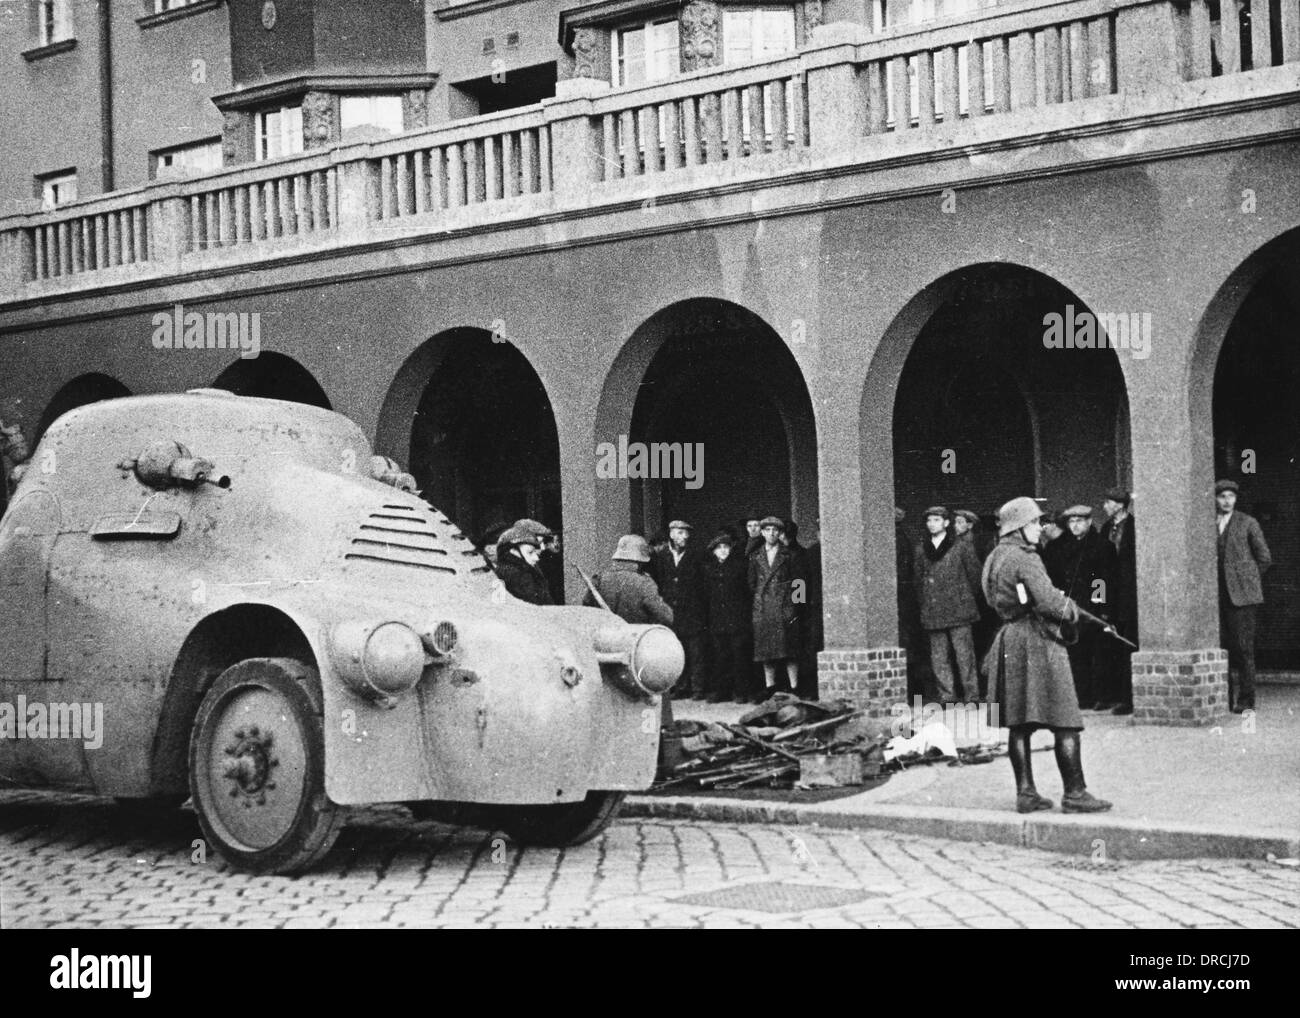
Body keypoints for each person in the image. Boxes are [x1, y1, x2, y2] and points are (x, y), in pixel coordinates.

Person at [983, 496, 1112, 814]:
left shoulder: (995, 557)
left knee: (1019, 724)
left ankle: (1026, 794)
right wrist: (1075, 613)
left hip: (1010, 637)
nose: (1041, 529)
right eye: (1036, 523)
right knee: (1065, 719)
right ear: (1021, 526)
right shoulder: (1026, 558)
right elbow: (1048, 601)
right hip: (1038, 640)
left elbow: (993, 597)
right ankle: (1075, 793)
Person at [1048, 505, 1117, 710]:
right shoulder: (1064, 547)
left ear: (1088, 522)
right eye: (1071, 522)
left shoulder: (1102, 546)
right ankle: (1082, 696)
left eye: (1079, 521)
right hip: (1073, 607)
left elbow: (1102, 579)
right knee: (1077, 653)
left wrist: (1099, 606)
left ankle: (1101, 696)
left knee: (1099, 654)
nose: (1075, 526)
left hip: (1093, 608)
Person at [914, 506, 983, 704]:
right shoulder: (922, 549)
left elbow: (975, 576)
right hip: (933, 610)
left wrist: (964, 597)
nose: (931, 524)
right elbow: (918, 580)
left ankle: (972, 695)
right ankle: (947, 696)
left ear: (945, 523)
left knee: (964, 655)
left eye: (936, 520)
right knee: (939, 657)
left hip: (959, 609)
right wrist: (926, 602)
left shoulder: (961, 546)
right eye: (929, 521)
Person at [1216, 479, 1272, 713]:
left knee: (1243, 648)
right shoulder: (1209, 522)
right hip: (1217, 595)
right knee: (1222, 647)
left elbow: (1264, 558)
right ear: (1215, 499)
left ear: (1236, 499)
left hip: (1243, 598)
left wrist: (1246, 580)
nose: (1227, 501)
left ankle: (1246, 700)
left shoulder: (1248, 522)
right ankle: (1225, 699)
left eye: (1231, 496)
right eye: (1222, 496)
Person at [652, 520, 710, 700]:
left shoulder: (697, 556)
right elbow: (658, 582)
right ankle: (679, 687)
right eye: (679, 533)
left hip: (693, 612)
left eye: (686, 533)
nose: (684, 536)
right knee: (676, 651)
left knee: (696, 653)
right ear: (671, 534)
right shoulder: (661, 557)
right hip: (671, 612)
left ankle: (698, 689)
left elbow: (703, 584)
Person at [749, 516, 805, 696]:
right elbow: (751, 583)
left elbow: (799, 582)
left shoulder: (790, 554)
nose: (771, 533)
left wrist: (796, 607)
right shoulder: (755, 556)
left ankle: (795, 687)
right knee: (766, 652)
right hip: (764, 609)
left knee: (790, 651)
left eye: (775, 530)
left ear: (780, 533)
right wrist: (758, 601)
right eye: (767, 530)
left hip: (785, 608)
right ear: (762, 532)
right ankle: (770, 687)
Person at [1097, 487, 1138, 714]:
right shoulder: (1106, 529)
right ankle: (1111, 695)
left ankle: (1128, 698)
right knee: (1110, 644)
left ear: (1120, 505)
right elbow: (1101, 567)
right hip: (1110, 596)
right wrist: (1100, 599)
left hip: (1128, 596)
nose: (1104, 506)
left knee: (1127, 644)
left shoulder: (1134, 527)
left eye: (1108, 502)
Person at [583, 534, 674, 626]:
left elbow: (587, 607)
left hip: (605, 636)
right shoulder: (644, 582)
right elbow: (665, 616)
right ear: (641, 560)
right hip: (633, 637)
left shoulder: (599, 578)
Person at [704, 532, 752, 702]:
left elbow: (748, 592)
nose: (723, 551)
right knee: (720, 657)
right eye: (719, 548)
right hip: (718, 619)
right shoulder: (709, 569)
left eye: (726, 547)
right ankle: (721, 692)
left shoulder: (740, 566)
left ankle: (740, 692)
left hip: (737, 619)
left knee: (739, 656)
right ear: (714, 551)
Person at [493, 525, 553, 605]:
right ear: (513, 551)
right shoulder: (518, 575)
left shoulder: (519, 570)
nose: (536, 558)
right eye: (530, 552)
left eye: (535, 552)